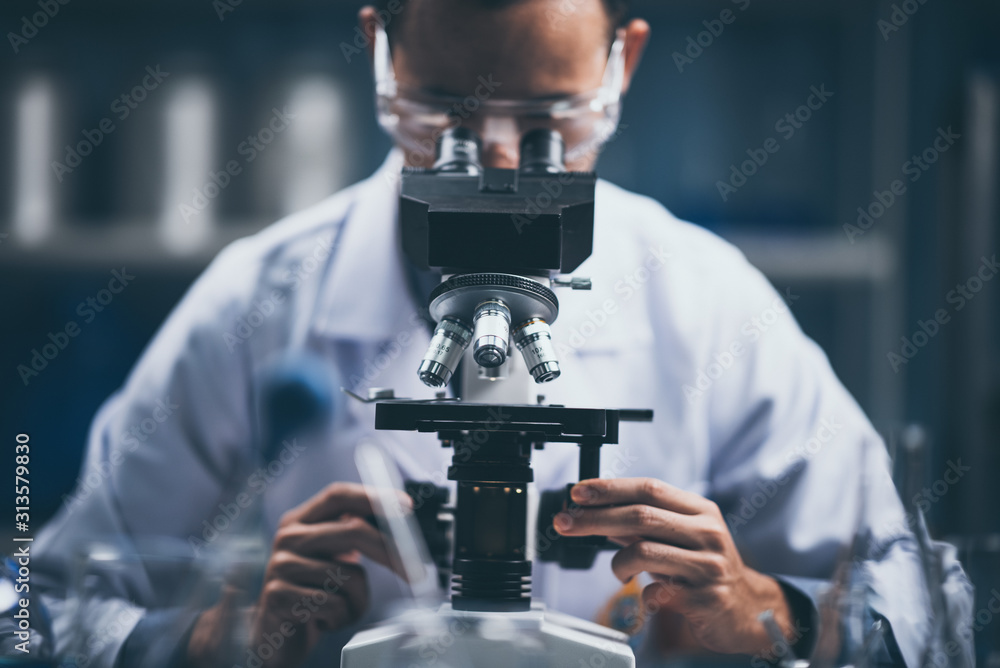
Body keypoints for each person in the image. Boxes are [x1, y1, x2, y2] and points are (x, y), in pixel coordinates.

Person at [29, 1, 971, 667]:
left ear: (623, 63)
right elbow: (34, 610)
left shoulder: (707, 302)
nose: (506, 161)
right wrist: (204, 638)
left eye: (554, 117)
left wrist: (776, 615)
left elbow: (933, 612)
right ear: (378, 48)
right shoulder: (260, 303)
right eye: (446, 115)